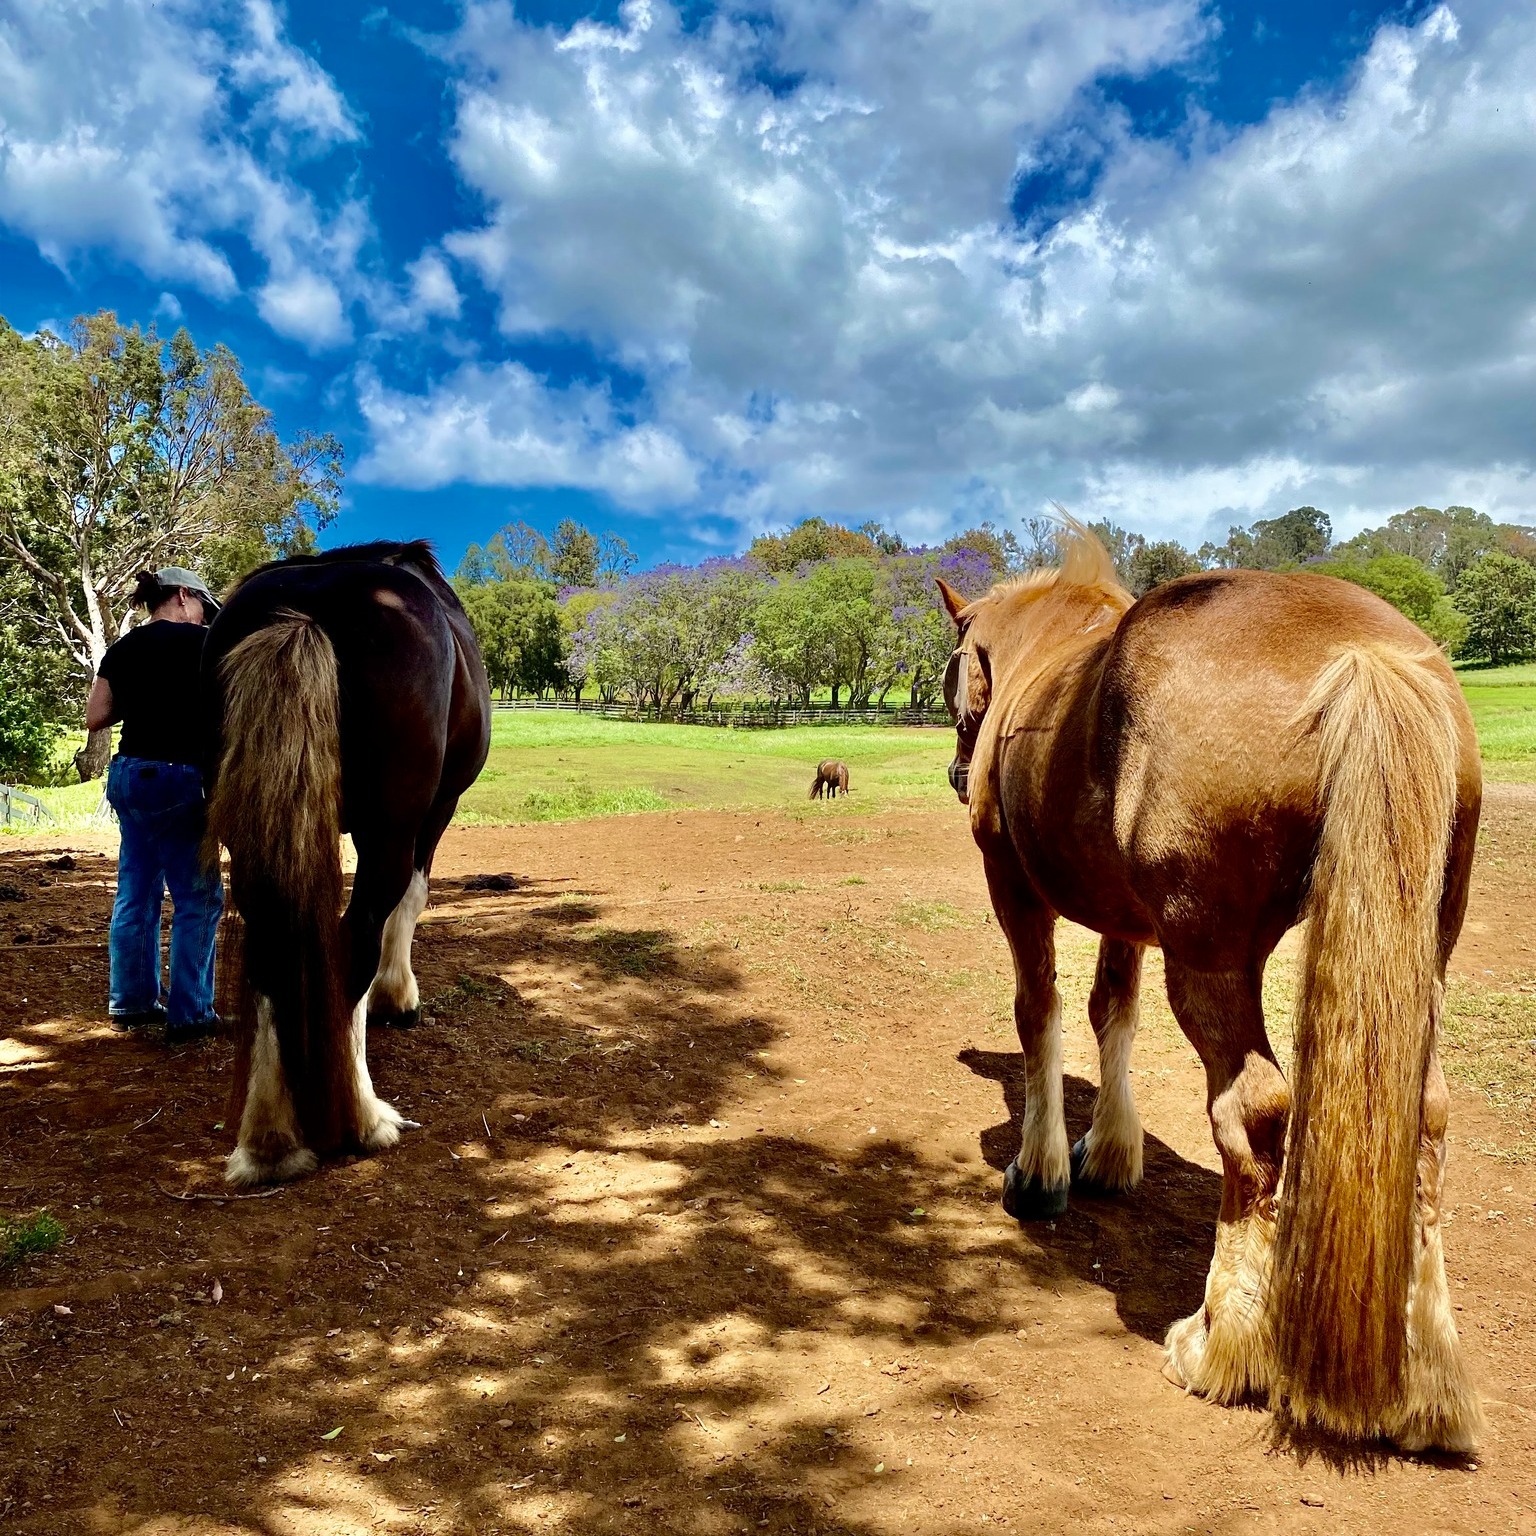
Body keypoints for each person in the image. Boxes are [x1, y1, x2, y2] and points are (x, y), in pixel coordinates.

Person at [87, 567, 225, 1045]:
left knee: (137, 892)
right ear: (183, 596)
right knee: (198, 899)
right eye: (204, 603)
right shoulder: (208, 644)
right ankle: (190, 1014)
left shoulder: (123, 647)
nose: (207, 613)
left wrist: (144, 696)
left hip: (129, 778)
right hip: (181, 778)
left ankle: (132, 1002)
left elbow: (96, 716)